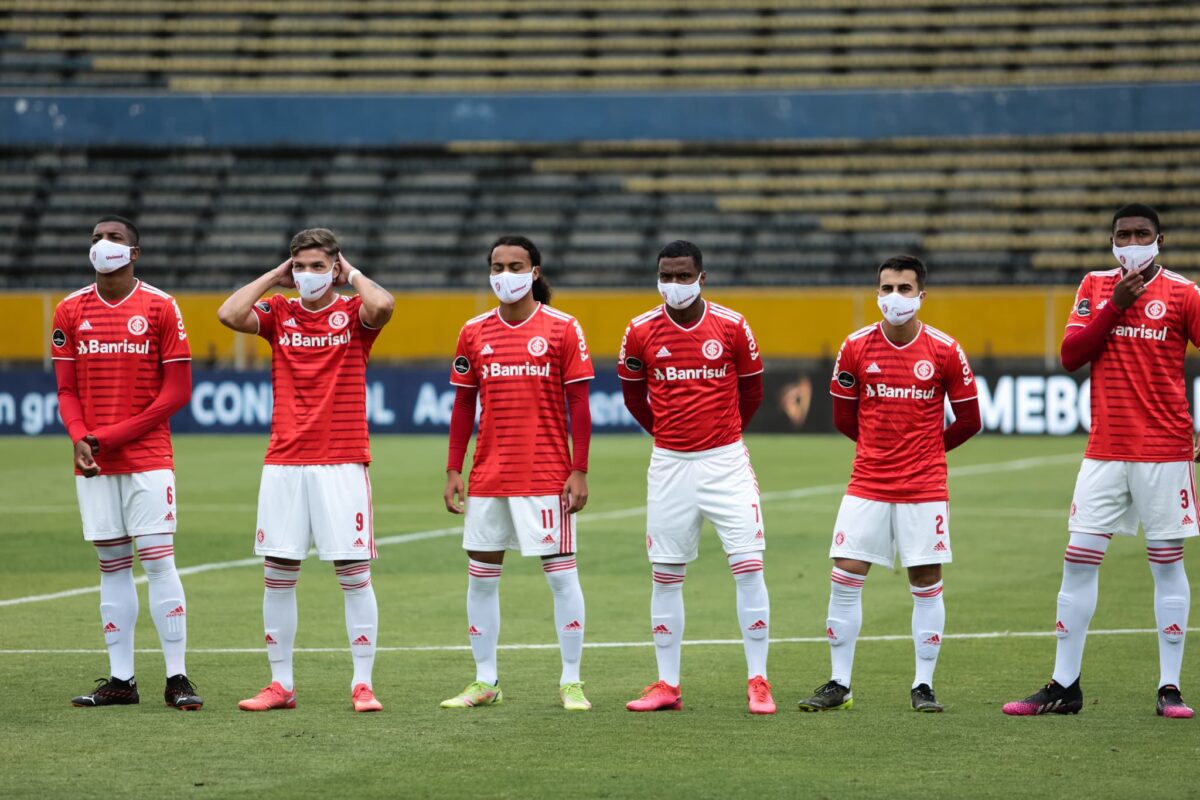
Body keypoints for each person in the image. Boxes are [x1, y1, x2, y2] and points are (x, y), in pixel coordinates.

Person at [1004, 203, 1196, 719]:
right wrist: (1114, 305)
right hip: (1105, 450)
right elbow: (1071, 356)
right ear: (1112, 241)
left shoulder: (1183, 293)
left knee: (1166, 563)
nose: (1131, 241)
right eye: (1123, 234)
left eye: (1141, 233)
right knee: (1078, 560)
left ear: (1160, 239)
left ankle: (1170, 688)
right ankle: (1064, 686)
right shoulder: (1094, 286)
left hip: (1163, 450)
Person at [217, 228, 394, 713]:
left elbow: (383, 306)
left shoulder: (353, 315)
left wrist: (350, 272)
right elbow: (229, 314)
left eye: (318, 266)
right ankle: (281, 685)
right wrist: (275, 276)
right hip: (284, 461)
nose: (308, 275)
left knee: (353, 573)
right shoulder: (280, 312)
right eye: (300, 266)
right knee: (278, 572)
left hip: (341, 460)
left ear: (335, 268)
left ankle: (363, 684)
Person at [798, 255, 981, 714]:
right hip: (868, 483)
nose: (894, 297)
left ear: (922, 295)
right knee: (844, 576)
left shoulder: (944, 349)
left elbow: (971, 420)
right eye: (886, 288)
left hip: (924, 488)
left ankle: (923, 685)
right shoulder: (856, 347)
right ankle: (840, 682)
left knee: (925, 579)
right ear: (876, 293)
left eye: (904, 288)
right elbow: (843, 416)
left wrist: (927, 452)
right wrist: (879, 449)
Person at [53, 215, 202, 710]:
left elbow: (176, 392)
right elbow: (67, 389)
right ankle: (121, 680)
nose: (103, 244)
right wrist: (80, 438)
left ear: (133, 253)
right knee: (112, 565)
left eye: (114, 238)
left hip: (147, 458)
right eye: (97, 237)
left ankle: (177, 678)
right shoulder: (69, 310)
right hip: (93, 459)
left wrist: (106, 437)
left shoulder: (161, 306)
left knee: (159, 562)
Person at [619, 240, 773, 714]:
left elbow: (752, 393)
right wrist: (671, 435)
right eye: (667, 275)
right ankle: (668, 685)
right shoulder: (640, 330)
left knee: (748, 568)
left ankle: (759, 680)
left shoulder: (732, 325)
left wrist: (719, 437)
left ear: (702, 278)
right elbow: (633, 397)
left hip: (726, 462)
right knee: (665, 575)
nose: (675, 284)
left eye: (684, 276)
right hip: (669, 465)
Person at [441, 235, 594, 711]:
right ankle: (485, 680)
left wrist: (579, 469)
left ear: (534, 271)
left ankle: (571, 681)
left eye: (514, 266)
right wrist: (453, 468)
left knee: (561, 577)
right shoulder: (473, 331)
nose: (504, 274)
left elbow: (579, 404)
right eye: (497, 266)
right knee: (481, 578)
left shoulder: (563, 328)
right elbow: (464, 403)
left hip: (546, 475)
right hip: (488, 475)